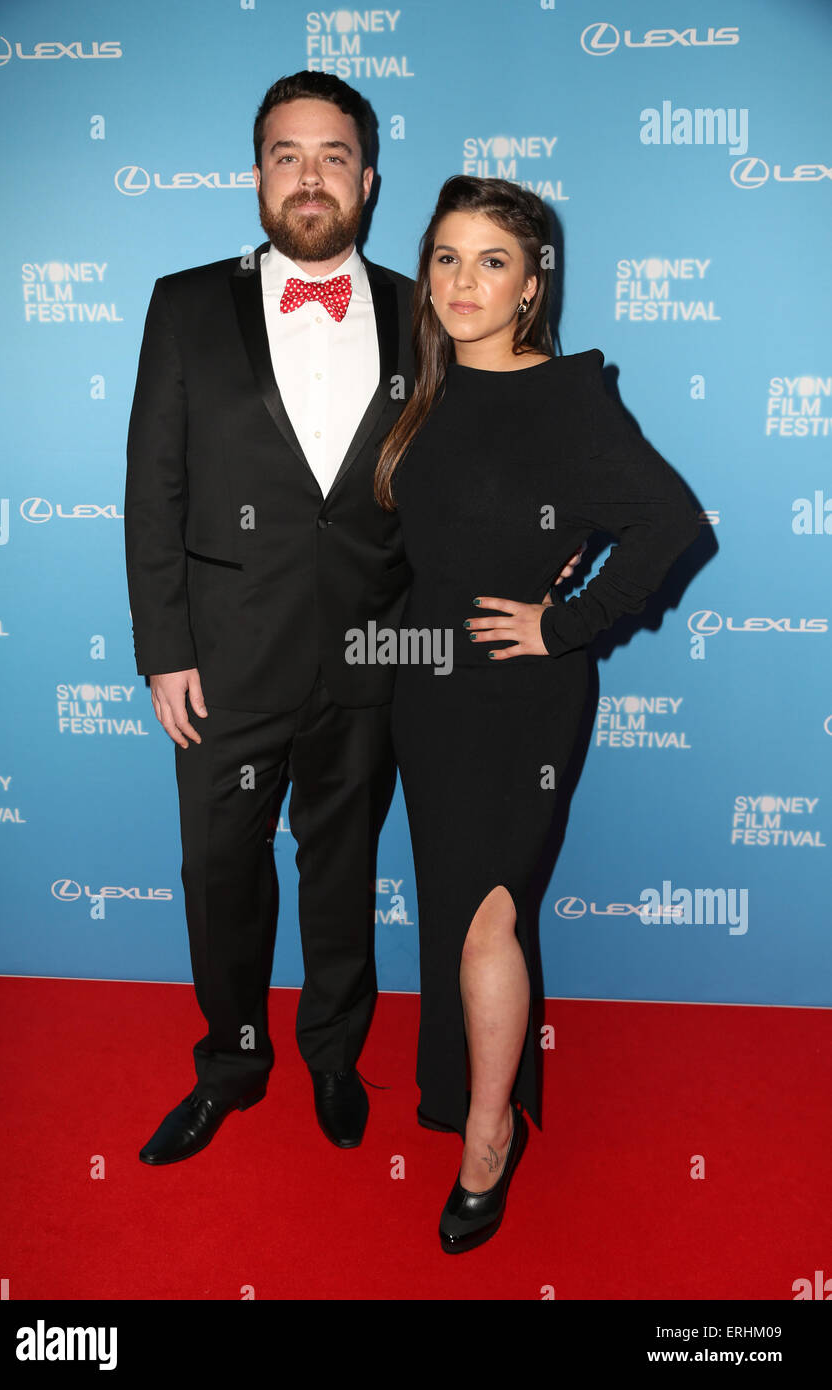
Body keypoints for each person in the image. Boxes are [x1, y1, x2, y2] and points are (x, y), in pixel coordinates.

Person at [124, 70, 586, 1166]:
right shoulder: (184, 304)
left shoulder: (423, 310)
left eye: (334, 156)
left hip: (378, 657)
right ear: (256, 175)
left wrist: (556, 533)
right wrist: (165, 651)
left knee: (340, 874)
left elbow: (501, 439)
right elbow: (155, 489)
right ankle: (232, 1063)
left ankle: (333, 1056)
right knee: (220, 875)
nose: (310, 177)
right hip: (225, 665)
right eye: (287, 155)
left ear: (368, 180)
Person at [376, 175, 701, 1253]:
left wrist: (567, 623)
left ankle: (484, 1136)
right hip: (424, 680)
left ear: (529, 285)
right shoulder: (415, 387)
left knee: (487, 912)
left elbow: (669, 523)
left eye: (492, 262)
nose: (463, 282)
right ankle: (473, 1089)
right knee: (452, 902)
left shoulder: (568, 395)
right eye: (446, 258)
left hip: (519, 694)